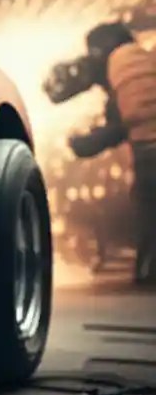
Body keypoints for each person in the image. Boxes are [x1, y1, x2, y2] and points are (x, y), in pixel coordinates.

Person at [64, 22, 156, 284]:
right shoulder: (144, 61)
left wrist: (83, 143)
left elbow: (118, 127)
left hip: (151, 157)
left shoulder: (115, 66)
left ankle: (149, 272)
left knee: (149, 210)